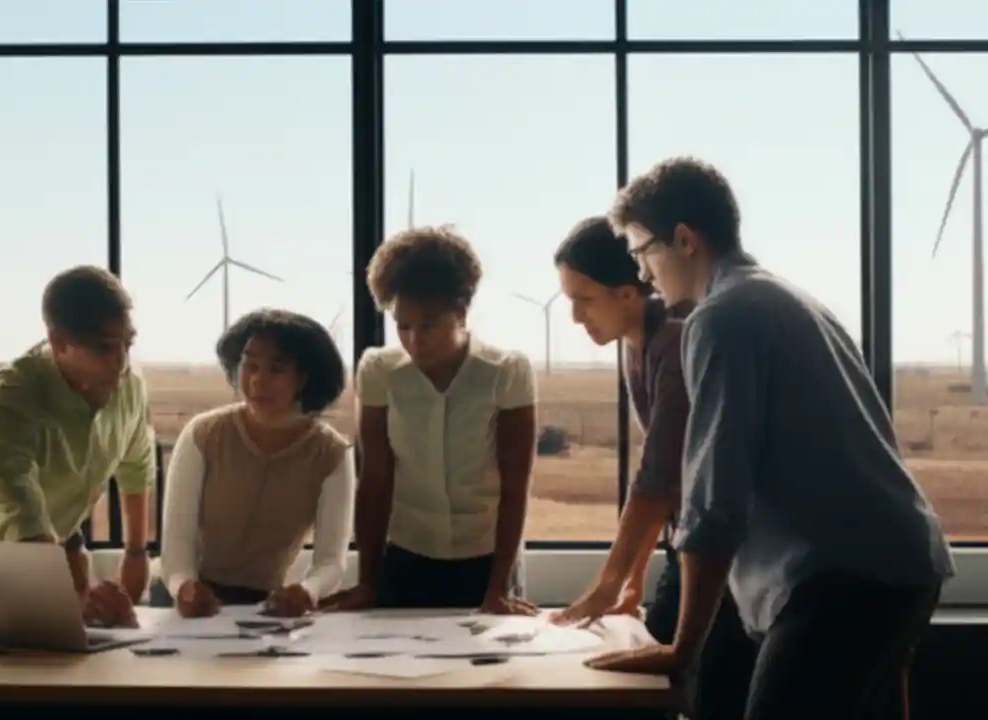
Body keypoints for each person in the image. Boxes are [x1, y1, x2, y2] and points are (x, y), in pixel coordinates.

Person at [586, 156, 955, 719]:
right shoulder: (789, 299)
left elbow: (715, 501)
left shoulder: (721, 319)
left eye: (642, 254)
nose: (643, 276)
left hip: (842, 580)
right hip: (898, 564)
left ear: (684, 240)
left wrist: (683, 650)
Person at [548, 216, 756, 720]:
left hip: (730, 552)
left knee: (706, 690)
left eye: (584, 299)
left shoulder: (680, 340)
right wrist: (632, 579)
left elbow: (659, 476)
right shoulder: (633, 346)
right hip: (687, 542)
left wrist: (604, 587)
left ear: (627, 294)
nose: (574, 316)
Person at [0, 265, 157, 630]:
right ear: (59, 343)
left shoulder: (130, 388)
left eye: (128, 342)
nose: (121, 362)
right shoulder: (8, 398)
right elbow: (16, 510)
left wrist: (136, 554)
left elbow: (136, 467)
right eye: (105, 347)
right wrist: (68, 595)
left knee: (76, 652)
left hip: (56, 538)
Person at [319, 225, 538, 614]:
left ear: (462, 312)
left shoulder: (506, 371)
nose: (414, 340)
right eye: (402, 326)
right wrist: (368, 582)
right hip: (406, 558)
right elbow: (375, 479)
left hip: (488, 562)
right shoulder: (378, 371)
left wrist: (498, 589)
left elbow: (515, 487)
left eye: (429, 324)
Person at [154, 308, 355, 618]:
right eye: (251, 365)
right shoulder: (204, 434)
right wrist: (185, 587)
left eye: (277, 369)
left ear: (303, 378)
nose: (259, 380)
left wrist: (306, 592)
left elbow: (330, 562)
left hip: (264, 608)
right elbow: (176, 546)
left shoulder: (331, 454)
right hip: (182, 601)